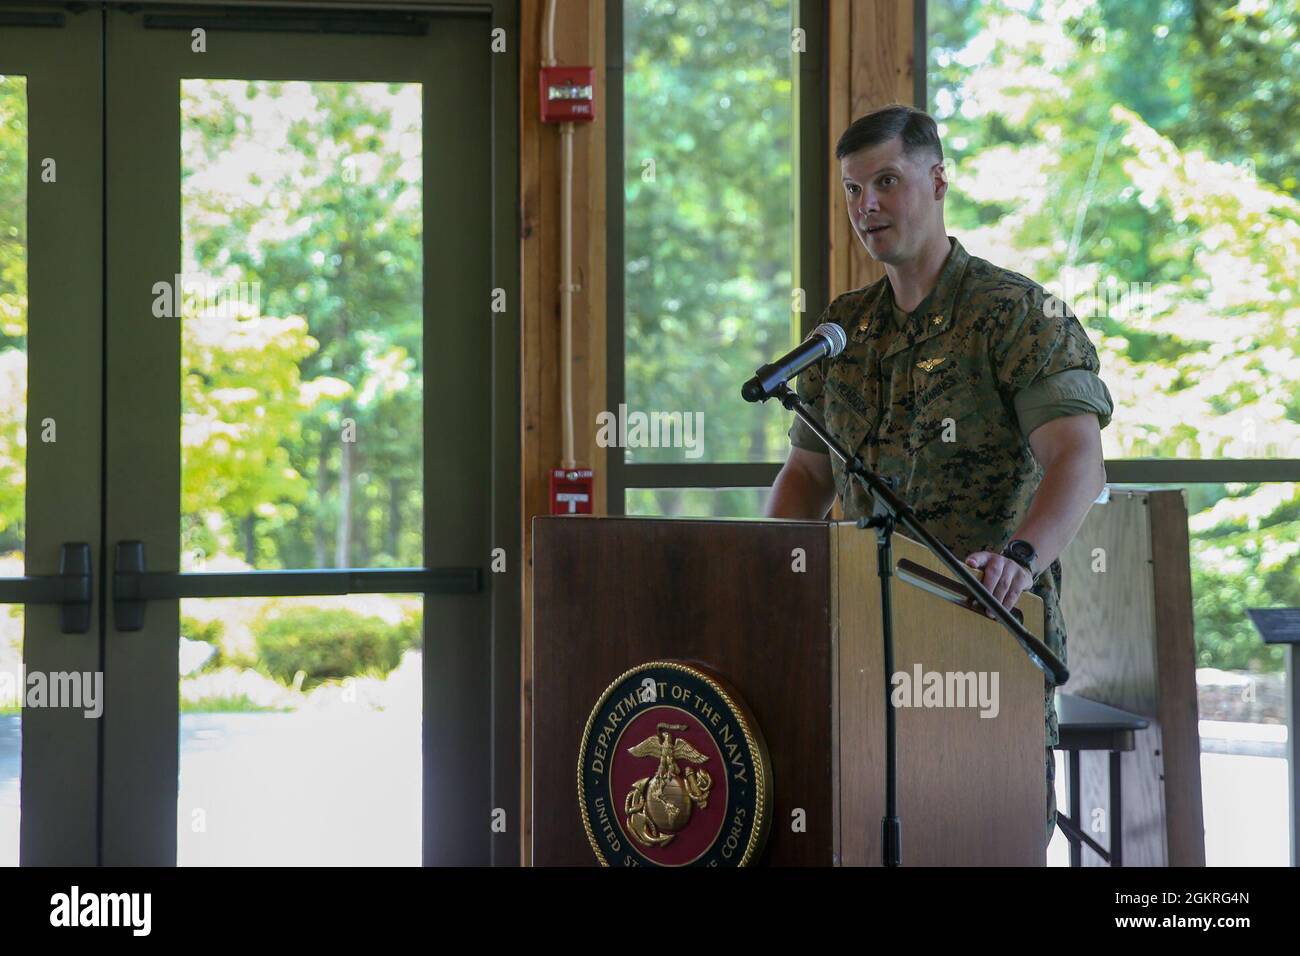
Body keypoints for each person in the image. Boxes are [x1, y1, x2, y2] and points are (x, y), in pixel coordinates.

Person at [765, 104, 1114, 844]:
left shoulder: (1016, 314)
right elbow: (805, 474)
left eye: (886, 182)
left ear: (938, 180)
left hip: (979, 637)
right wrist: (763, 578)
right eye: (853, 191)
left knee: (981, 842)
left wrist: (1020, 556)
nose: (868, 207)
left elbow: (1078, 459)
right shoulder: (843, 330)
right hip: (859, 644)